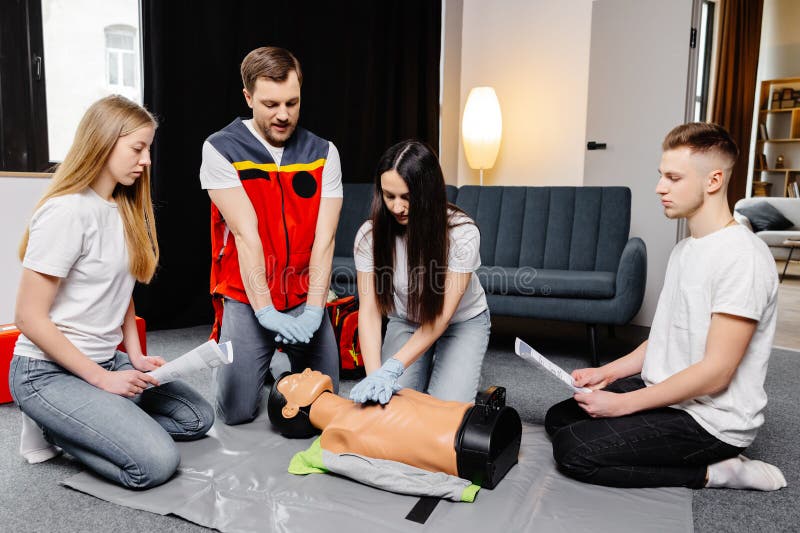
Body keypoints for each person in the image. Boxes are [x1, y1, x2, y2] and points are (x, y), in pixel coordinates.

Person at [545, 122, 786, 491]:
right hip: (669, 393)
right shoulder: (685, 249)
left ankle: (719, 471)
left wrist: (625, 405)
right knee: (560, 418)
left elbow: (717, 372)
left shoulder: (743, 258)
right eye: (662, 176)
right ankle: (641, 421)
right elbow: (662, 338)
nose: (660, 188)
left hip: (710, 419)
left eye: (673, 178)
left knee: (574, 450)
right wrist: (607, 373)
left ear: (713, 180)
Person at [10, 95, 214, 489]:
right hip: (45, 372)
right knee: (155, 463)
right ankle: (54, 426)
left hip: (107, 360)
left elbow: (122, 291)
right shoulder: (67, 211)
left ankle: (86, 417)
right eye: (137, 148)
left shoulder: (122, 208)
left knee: (196, 418)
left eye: (148, 149)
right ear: (102, 142)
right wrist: (103, 383)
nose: (147, 160)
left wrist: (134, 355)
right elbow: (28, 318)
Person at [200, 46, 343, 425]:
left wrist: (314, 309)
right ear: (248, 97)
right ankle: (253, 366)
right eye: (270, 104)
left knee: (327, 399)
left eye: (291, 103)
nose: (283, 115)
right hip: (248, 293)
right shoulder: (220, 149)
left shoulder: (324, 153)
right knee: (236, 411)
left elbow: (324, 239)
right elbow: (247, 237)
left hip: (301, 289)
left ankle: (274, 361)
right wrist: (265, 311)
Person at [349, 140, 490, 405]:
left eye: (407, 198)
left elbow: (441, 317)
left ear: (428, 194)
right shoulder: (368, 236)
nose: (397, 207)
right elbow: (368, 311)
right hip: (406, 319)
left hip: (459, 322)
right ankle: (426, 365)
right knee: (387, 406)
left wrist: (393, 368)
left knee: (442, 414)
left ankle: (457, 366)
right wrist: (376, 376)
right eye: (389, 196)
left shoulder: (463, 234)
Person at [268, 368, 521, 492]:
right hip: (468, 446)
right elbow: (384, 475)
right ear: (290, 410)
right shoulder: (334, 438)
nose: (308, 371)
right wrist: (450, 489)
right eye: (294, 380)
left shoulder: (363, 396)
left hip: (476, 418)